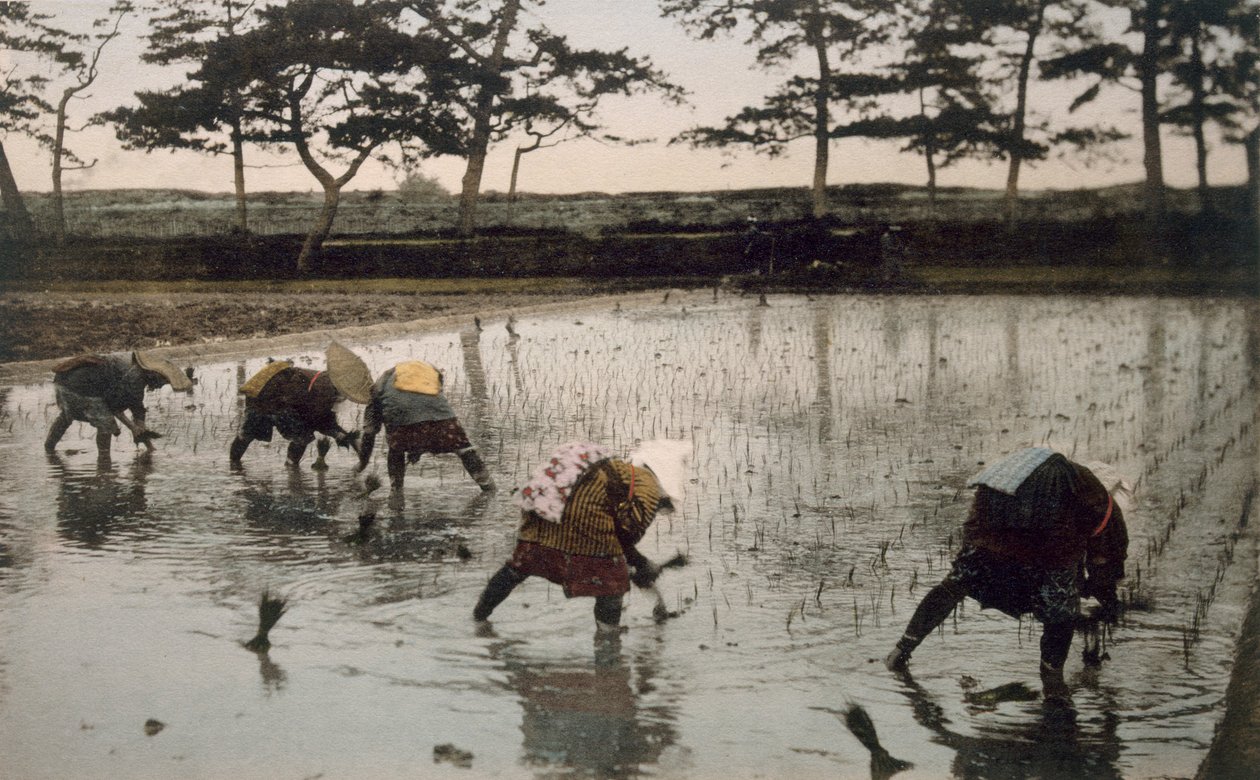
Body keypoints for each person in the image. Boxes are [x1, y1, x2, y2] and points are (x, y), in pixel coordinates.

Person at [884, 448, 1131, 703]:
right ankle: (1053, 681)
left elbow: (975, 525)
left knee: (956, 584)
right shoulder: (1098, 500)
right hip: (1045, 538)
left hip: (992, 522)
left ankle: (900, 650)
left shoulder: (1017, 471)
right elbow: (1105, 561)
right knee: (1060, 612)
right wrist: (1105, 600)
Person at [473, 440, 684, 635]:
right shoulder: (647, 487)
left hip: (545, 509)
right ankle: (608, 640)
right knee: (612, 581)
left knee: (521, 565)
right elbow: (623, 541)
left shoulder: (621, 470)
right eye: (663, 505)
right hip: (582, 518)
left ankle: (478, 618)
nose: (659, 510)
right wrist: (643, 563)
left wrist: (639, 565)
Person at [353, 357, 494, 505]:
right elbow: (426, 408)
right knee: (463, 448)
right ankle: (489, 489)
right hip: (442, 419)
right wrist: (418, 448)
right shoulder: (428, 372)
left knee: (396, 450)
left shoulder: (378, 387)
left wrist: (362, 464)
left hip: (403, 427)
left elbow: (369, 433)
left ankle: (396, 493)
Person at [46, 350, 192, 459]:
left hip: (65, 381)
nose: (160, 386)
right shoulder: (133, 377)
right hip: (77, 386)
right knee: (106, 424)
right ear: (154, 375)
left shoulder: (136, 371)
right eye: (162, 382)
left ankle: (49, 448)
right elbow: (112, 406)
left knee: (68, 414)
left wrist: (148, 445)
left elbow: (137, 408)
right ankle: (104, 463)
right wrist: (133, 428)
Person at [229, 358, 361, 468]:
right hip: (270, 397)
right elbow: (317, 420)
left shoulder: (325, 380)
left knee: (246, 434)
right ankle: (291, 468)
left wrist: (340, 434)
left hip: (266, 393)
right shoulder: (324, 390)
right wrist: (339, 434)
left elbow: (322, 419)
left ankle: (234, 466)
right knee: (302, 436)